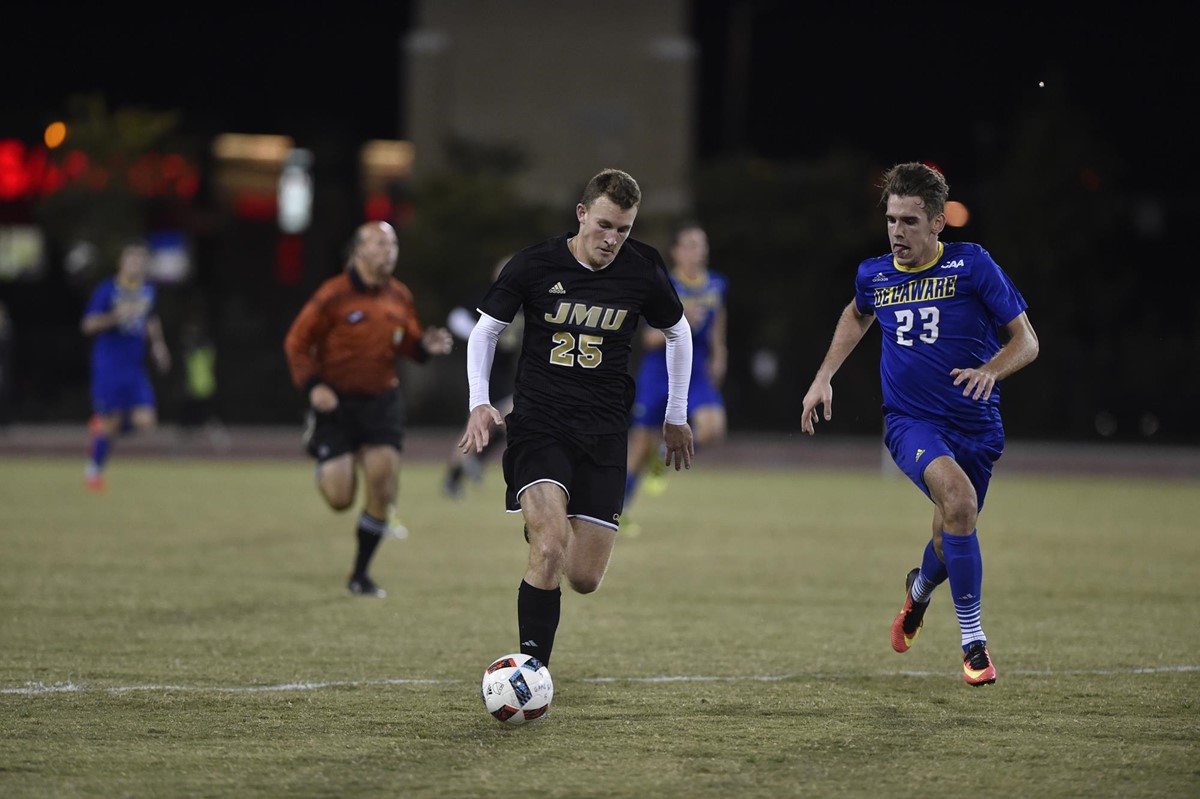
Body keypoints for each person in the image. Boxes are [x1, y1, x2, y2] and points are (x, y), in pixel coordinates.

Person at [800, 162, 1039, 686]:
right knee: (959, 501)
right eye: (891, 219)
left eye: (909, 221)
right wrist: (824, 377)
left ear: (937, 223)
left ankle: (917, 594)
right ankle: (974, 643)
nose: (897, 232)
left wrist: (990, 371)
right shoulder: (875, 274)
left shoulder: (972, 265)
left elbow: (1027, 341)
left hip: (976, 426)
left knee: (950, 534)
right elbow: (857, 312)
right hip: (910, 423)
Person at [459, 168, 694, 668]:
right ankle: (532, 673)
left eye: (624, 229)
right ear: (582, 214)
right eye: (604, 225)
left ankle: (548, 523)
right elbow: (485, 331)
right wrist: (479, 400)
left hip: (605, 432)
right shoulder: (535, 264)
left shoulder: (642, 268)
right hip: (540, 423)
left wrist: (675, 414)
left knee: (584, 577)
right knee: (549, 547)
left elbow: (679, 332)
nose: (612, 239)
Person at [284, 220, 453, 599]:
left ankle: (360, 575)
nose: (387, 250)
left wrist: (424, 347)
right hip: (337, 404)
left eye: (392, 244)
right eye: (378, 243)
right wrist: (314, 386)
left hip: (381, 402)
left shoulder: (399, 295)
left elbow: (407, 342)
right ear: (358, 251)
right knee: (340, 498)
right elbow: (296, 342)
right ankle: (322, 454)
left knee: (382, 483)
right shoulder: (333, 294)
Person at [623, 221, 728, 531]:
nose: (699, 252)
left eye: (702, 245)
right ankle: (618, 511)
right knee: (639, 447)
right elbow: (649, 339)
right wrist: (681, 322)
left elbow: (718, 324)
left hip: (696, 372)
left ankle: (662, 456)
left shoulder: (716, 284)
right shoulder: (663, 285)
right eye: (691, 245)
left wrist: (720, 354)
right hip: (659, 373)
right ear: (676, 252)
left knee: (713, 428)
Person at [80, 240, 171, 491]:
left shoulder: (148, 290)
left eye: (140, 262)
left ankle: (101, 431)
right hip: (108, 366)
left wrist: (158, 346)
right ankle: (94, 470)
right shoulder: (108, 289)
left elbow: (151, 319)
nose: (136, 266)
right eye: (132, 261)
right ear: (122, 263)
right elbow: (88, 324)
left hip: (135, 367)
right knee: (112, 422)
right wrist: (116, 316)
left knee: (146, 421)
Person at [442, 254, 523, 499]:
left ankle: (466, 468)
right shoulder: (488, 298)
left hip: (506, 372)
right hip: (483, 371)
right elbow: (456, 318)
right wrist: (478, 335)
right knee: (486, 423)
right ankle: (457, 474)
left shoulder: (526, 302)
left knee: (505, 419)